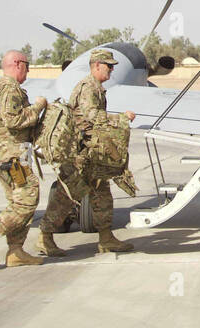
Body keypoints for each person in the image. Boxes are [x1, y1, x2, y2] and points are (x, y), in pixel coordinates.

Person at [38, 48, 138, 256]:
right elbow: (92, 116)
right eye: (108, 66)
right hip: (80, 154)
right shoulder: (88, 88)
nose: (111, 70)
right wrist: (121, 118)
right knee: (66, 196)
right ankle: (44, 236)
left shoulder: (97, 88)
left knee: (102, 196)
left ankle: (106, 238)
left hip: (92, 154)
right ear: (97, 66)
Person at [0, 50, 47, 268]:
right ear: (17, 64)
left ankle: (16, 251)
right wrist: (38, 106)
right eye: (27, 64)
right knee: (28, 198)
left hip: (4, 155)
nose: (29, 69)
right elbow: (14, 120)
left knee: (17, 201)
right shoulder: (10, 89)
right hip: (13, 158)